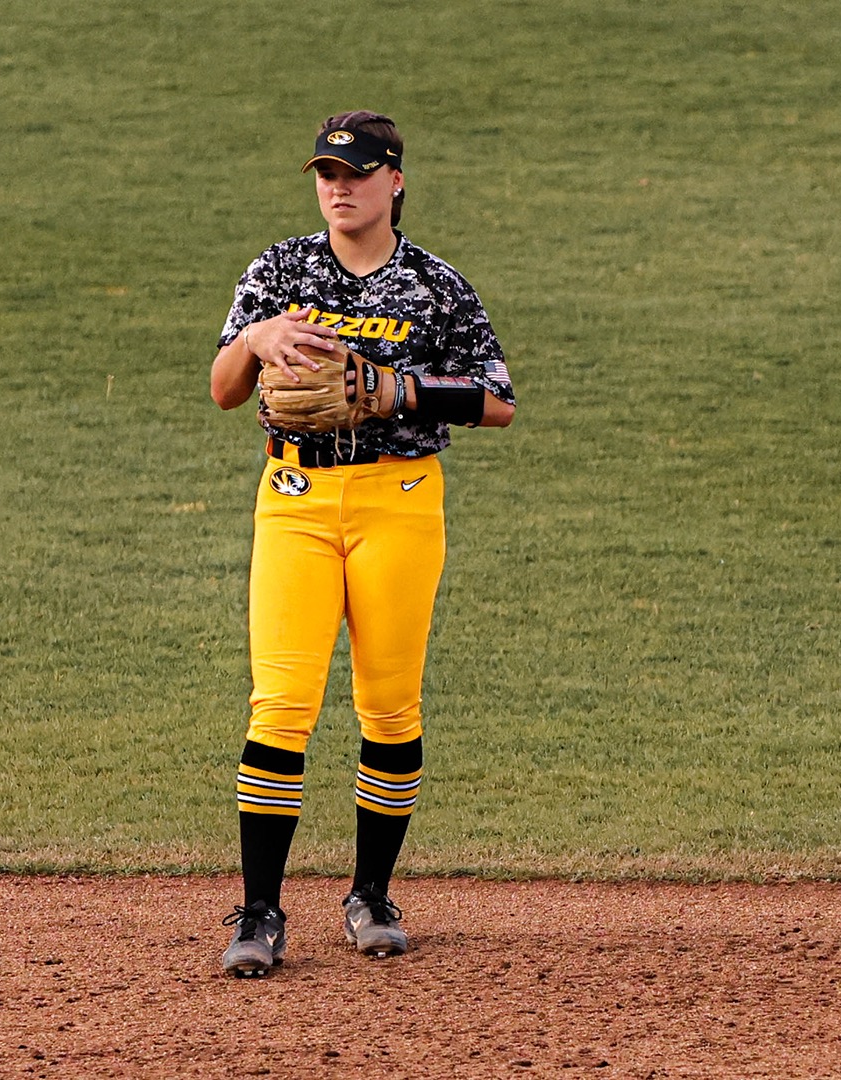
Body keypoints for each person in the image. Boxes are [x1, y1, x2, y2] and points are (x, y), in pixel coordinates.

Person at [207, 110, 517, 977]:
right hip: (296, 501)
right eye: (325, 174)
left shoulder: (436, 286)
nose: (338, 187)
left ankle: (371, 896)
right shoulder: (280, 270)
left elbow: (496, 398)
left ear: (395, 180)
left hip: (399, 502)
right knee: (282, 706)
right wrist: (255, 338)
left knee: (390, 708)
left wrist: (396, 392)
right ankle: (260, 913)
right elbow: (225, 390)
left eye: (356, 172)